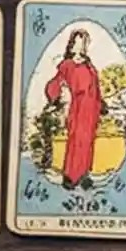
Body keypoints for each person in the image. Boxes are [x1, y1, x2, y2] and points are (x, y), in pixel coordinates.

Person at [45, 29, 106, 189]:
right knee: (76, 140)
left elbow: (96, 88)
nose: (81, 45)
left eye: (84, 42)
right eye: (79, 41)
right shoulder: (67, 65)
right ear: (72, 45)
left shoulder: (89, 66)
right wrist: (57, 97)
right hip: (76, 108)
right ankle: (71, 176)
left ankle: (84, 174)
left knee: (87, 141)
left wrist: (102, 105)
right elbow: (55, 83)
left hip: (91, 109)